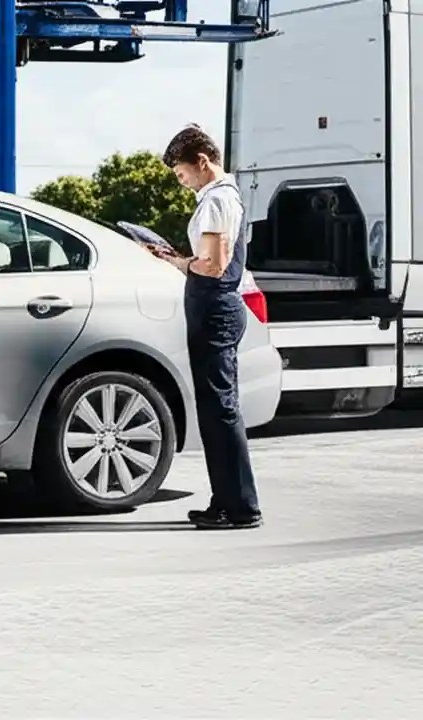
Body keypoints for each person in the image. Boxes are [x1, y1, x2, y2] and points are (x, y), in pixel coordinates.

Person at [152, 125, 262, 530]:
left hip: (215, 310)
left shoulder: (216, 200)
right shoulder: (223, 197)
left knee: (221, 411)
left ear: (201, 162)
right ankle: (227, 502)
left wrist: (179, 262)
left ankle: (241, 508)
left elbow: (213, 265)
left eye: (182, 174)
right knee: (217, 410)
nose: (181, 182)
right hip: (216, 310)